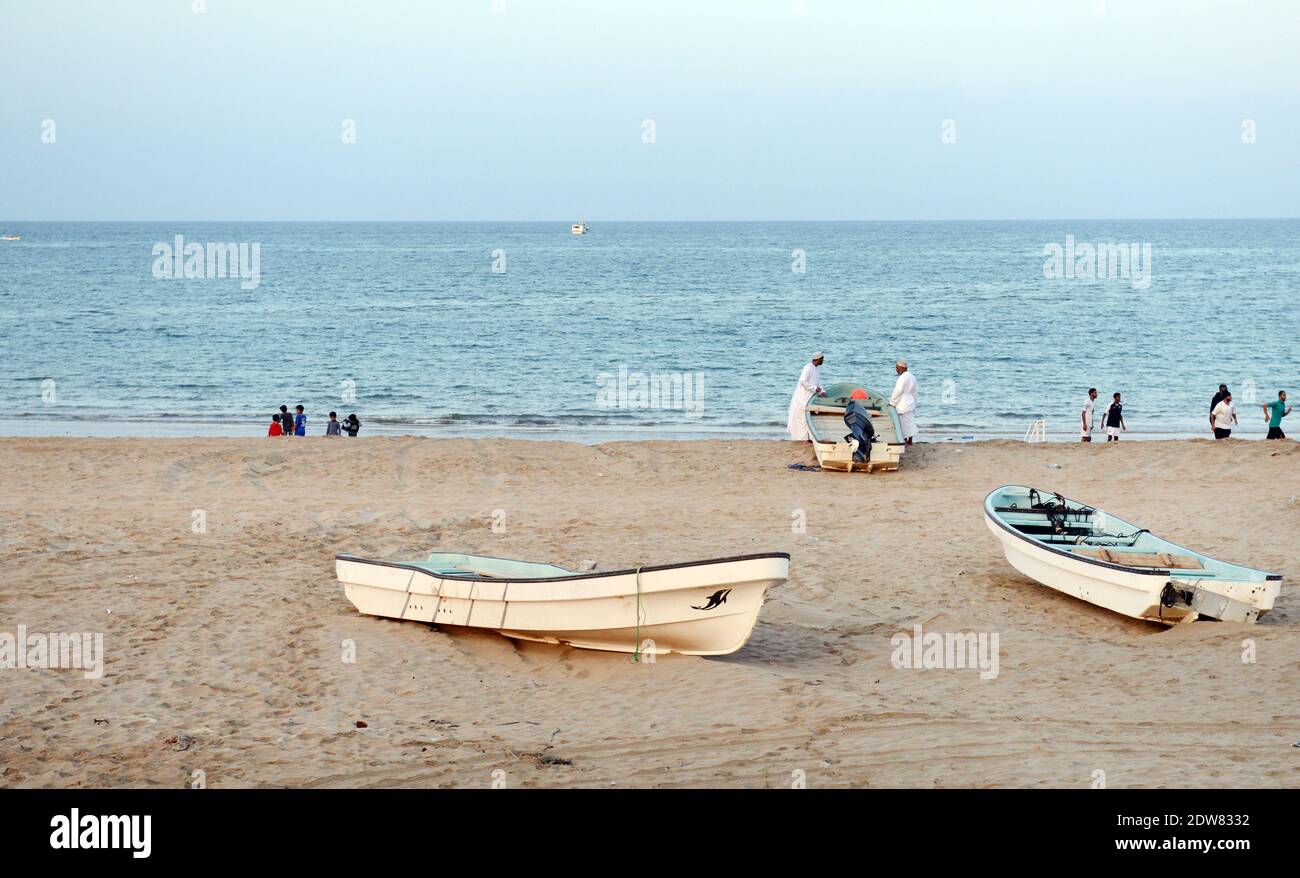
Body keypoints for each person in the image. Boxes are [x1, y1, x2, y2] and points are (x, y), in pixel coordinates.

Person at [786, 353, 826, 441]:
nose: (823, 361)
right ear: (817, 359)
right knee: (801, 419)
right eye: (822, 359)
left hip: (809, 397)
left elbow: (818, 382)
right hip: (801, 397)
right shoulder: (808, 367)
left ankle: (807, 438)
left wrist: (822, 391)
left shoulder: (816, 369)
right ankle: (801, 439)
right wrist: (815, 389)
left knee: (806, 418)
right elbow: (802, 381)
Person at [890, 359, 917, 445]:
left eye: (897, 368)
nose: (896, 370)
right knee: (910, 422)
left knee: (902, 423)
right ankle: (910, 440)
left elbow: (898, 391)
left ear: (901, 368)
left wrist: (892, 402)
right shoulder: (912, 377)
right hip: (910, 401)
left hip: (903, 403)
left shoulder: (902, 378)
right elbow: (915, 392)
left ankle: (905, 440)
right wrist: (914, 401)